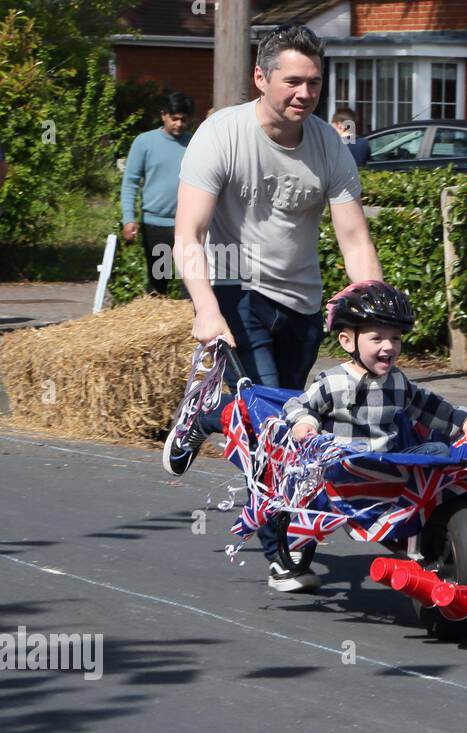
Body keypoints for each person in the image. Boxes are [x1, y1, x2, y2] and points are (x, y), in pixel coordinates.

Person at [165, 24, 383, 588]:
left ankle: (208, 414)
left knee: (290, 417)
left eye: (313, 83)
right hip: (238, 293)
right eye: (292, 81)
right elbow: (188, 233)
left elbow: (354, 238)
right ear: (261, 78)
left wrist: (373, 313)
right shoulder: (222, 135)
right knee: (273, 433)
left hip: (301, 305)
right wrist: (206, 309)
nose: (304, 94)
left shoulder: (328, 144)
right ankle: (280, 550)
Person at [277, 281, 467, 590]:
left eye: (395, 338)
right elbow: (299, 404)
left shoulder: (397, 381)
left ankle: (434, 531)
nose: (389, 346)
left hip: (389, 467)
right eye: (377, 338)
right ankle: (299, 543)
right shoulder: (333, 382)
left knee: (440, 452)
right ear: (348, 341)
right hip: (343, 469)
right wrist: (305, 422)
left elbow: (426, 406)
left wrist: (461, 421)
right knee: (309, 492)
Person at [121, 92, 193, 295]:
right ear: (164, 115)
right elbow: (130, 183)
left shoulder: (195, 143)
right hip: (156, 224)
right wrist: (129, 218)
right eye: (174, 118)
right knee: (158, 280)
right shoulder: (145, 143)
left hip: (187, 224)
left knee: (190, 282)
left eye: (183, 119)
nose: (179, 124)